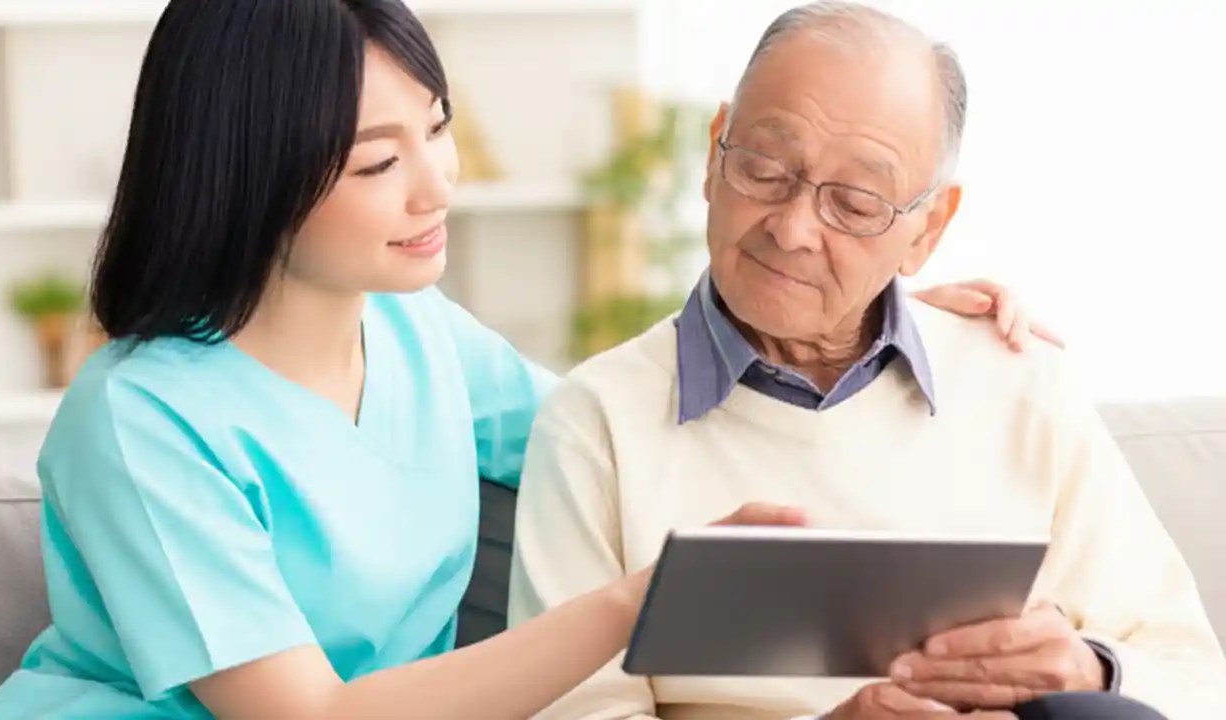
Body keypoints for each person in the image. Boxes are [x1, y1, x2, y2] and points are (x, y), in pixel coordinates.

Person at [0, 1, 1052, 719]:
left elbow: (641, 422)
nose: (435, 187)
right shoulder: (142, 420)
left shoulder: (418, 337)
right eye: (377, 161)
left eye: (436, 132)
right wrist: (633, 605)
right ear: (243, 176)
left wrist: (862, 313)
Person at [508, 3, 1226, 720]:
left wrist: (1089, 667)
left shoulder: (1019, 382)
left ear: (928, 228)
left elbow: (1195, 679)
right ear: (713, 153)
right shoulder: (597, 421)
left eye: (854, 204)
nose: (792, 231)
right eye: (762, 168)